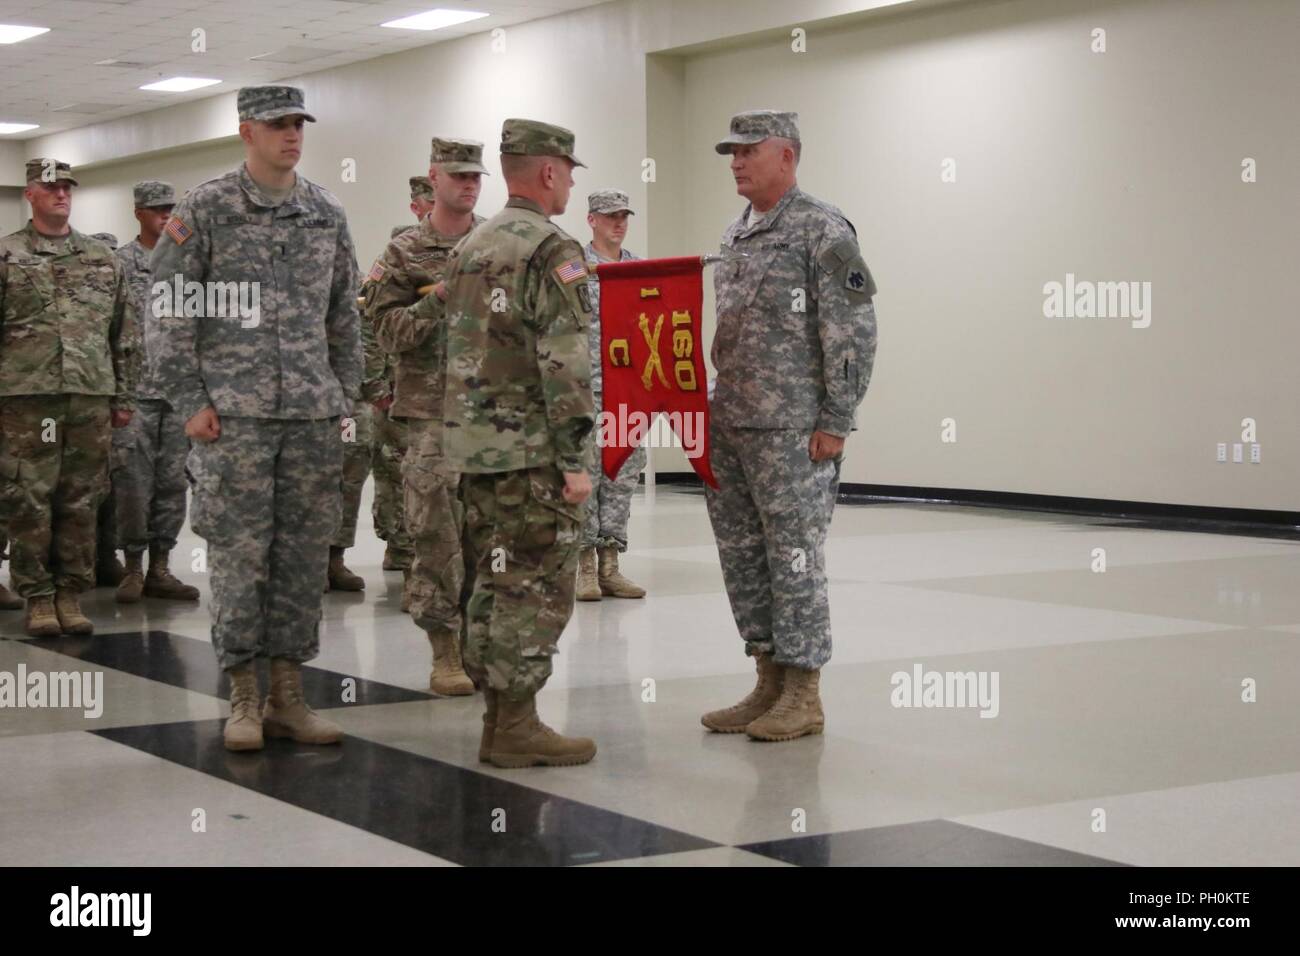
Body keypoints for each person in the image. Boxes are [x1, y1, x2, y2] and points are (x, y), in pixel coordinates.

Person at [152, 85, 362, 752]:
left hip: (309, 416)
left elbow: (344, 316)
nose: (291, 135)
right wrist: (190, 401)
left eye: (298, 123)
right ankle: (243, 693)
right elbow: (170, 307)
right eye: (277, 125)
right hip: (233, 419)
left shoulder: (324, 211)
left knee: (302, 557)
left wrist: (344, 397)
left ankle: (289, 693)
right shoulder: (206, 209)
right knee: (243, 556)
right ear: (247, 131)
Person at [416, 118, 596, 768]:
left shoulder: (472, 245)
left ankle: (499, 722)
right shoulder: (552, 250)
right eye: (569, 170)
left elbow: (451, 348)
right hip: (532, 460)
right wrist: (576, 459)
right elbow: (566, 364)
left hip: (475, 454)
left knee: (490, 585)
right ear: (549, 171)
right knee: (536, 587)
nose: (572, 181)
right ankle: (517, 724)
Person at [701, 110, 878, 742]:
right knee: (744, 557)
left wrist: (836, 418)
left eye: (750, 151)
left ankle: (804, 693)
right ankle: (767, 680)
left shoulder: (822, 229)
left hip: (792, 430)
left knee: (795, 558)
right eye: (732, 152)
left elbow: (853, 330)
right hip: (731, 424)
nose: (737, 162)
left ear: (788, 156)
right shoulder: (736, 233)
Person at [369, 140, 486, 693]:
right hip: (432, 416)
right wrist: (437, 297)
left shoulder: (498, 242)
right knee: (436, 534)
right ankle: (444, 649)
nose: (469, 185)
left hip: (494, 417)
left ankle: (482, 647)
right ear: (433, 178)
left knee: (489, 535)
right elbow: (386, 331)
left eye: (476, 177)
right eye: (459, 175)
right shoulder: (403, 253)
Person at [0, 158, 135, 636]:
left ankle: (70, 593)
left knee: (80, 499)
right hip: (25, 399)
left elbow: (123, 334)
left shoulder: (102, 258)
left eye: (67, 188)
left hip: (89, 395)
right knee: (29, 498)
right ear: (30, 194)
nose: (61, 195)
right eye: (50, 187)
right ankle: (37, 596)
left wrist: (124, 397)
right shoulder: (7, 256)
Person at [112, 180, 200, 604]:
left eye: (171, 208)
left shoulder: (189, 262)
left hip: (178, 393)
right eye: (156, 209)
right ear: (139, 214)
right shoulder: (119, 264)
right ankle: (131, 566)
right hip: (134, 393)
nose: (166, 215)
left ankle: (160, 567)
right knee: (132, 483)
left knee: (172, 483)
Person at [576, 188, 647, 602]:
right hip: (584, 389)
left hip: (627, 390)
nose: (618, 223)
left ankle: (610, 563)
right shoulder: (574, 269)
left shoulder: (639, 270)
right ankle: (584, 565)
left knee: (621, 474)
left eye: (623, 216)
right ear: (591, 220)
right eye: (609, 216)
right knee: (586, 474)